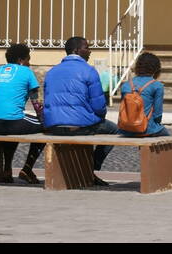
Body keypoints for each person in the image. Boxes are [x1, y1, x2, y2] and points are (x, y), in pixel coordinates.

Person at [42, 36, 118, 184]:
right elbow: (99, 106)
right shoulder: (89, 71)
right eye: (87, 47)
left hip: (53, 125)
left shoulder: (52, 71)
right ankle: (91, 168)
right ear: (77, 50)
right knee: (114, 130)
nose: (90, 51)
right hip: (79, 125)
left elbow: (47, 100)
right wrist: (97, 115)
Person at [0, 44, 44, 185]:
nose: (30, 62)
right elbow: (36, 105)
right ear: (21, 60)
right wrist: (44, 119)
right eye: (28, 59)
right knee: (45, 127)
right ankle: (27, 169)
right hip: (11, 121)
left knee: (12, 127)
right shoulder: (26, 72)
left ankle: (6, 170)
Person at [118, 52, 168, 137]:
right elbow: (157, 115)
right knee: (167, 137)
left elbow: (123, 109)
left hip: (125, 129)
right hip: (147, 128)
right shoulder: (157, 86)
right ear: (156, 69)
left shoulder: (126, 85)